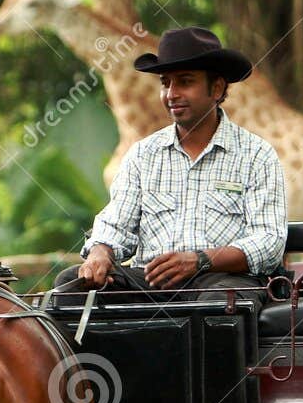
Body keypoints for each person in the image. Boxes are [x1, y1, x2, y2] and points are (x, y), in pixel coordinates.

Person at [55, 26, 287, 294]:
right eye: (166, 83)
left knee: (219, 303)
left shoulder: (257, 155)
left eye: (185, 82)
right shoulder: (143, 155)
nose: (171, 93)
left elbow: (269, 242)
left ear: (217, 88)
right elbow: (116, 225)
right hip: (149, 282)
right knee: (69, 286)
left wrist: (201, 260)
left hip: (221, 280)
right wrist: (100, 252)